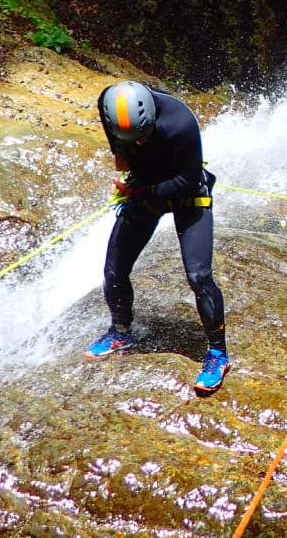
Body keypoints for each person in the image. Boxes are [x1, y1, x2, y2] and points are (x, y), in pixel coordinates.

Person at [84, 81, 230, 394]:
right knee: (114, 269)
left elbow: (188, 179)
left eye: (143, 136)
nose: (138, 144)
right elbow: (121, 148)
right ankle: (121, 329)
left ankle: (218, 354)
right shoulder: (108, 105)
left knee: (199, 276)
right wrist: (123, 160)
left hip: (187, 192)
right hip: (144, 189)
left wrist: (141, 191)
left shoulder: (180, 122)